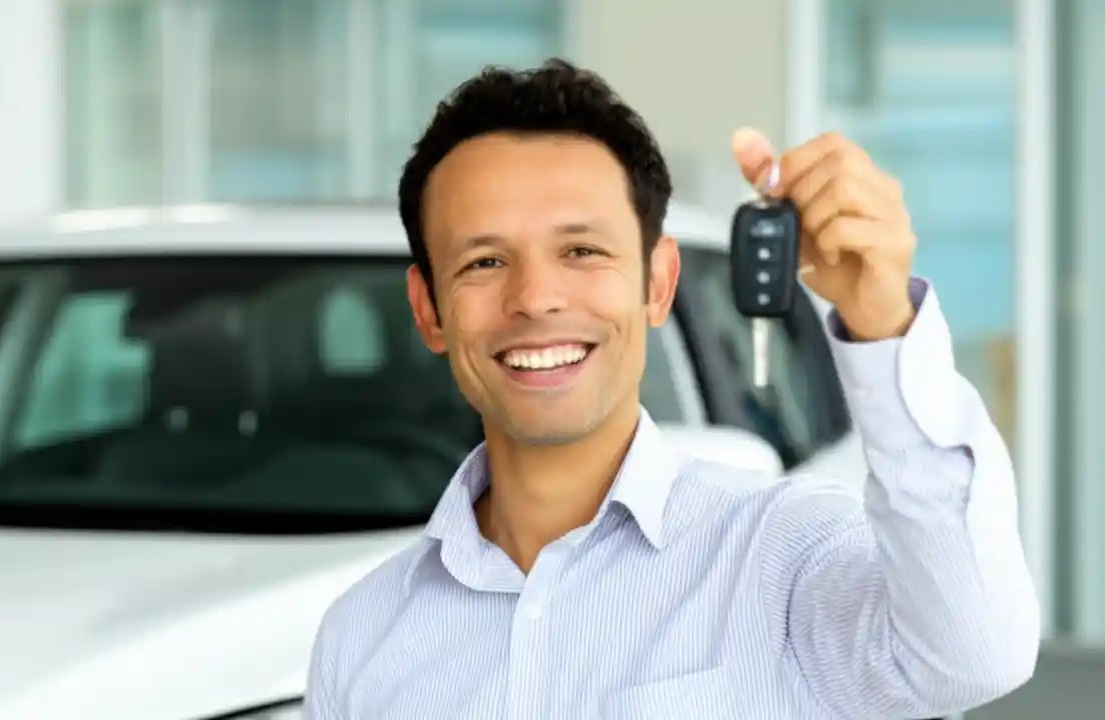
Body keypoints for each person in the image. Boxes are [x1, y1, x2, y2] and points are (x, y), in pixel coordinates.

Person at [302, 59, 1040, 719]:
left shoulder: (785, 554)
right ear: (429, 309)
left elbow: (972, 654)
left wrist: (880, 320)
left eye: (581, 251)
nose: (535, 298)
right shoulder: (361, 638)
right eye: (485, 262)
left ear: (657, 283)